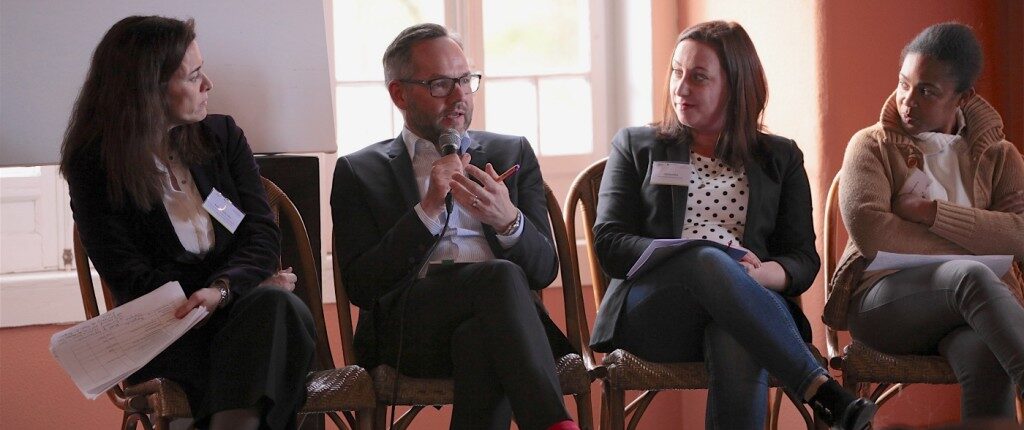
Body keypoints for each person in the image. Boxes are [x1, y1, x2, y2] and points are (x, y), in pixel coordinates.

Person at [589, 20, 875, 430]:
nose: (681, 88)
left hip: (748, 305)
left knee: (733, 335)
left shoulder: (780, 158)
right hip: (655, 312)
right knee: (703, 258)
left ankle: (820, 392)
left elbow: (801, 259)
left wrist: (759, 276)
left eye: (699, 77)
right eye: (677, 72)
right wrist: (692, 255)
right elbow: (610, 244)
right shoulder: (636, 146)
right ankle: (819, 389)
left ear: (736, 87)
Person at [59, 16, 315, 430]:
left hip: (245, 315)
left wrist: (224, 290)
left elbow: (261, 235)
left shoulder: (221, 137)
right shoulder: (94, 168)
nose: (208, 83)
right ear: (148, 90)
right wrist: (230, 292)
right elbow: (131, 279)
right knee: (274, 321)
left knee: (276, 309)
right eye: (194, 75)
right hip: (171, 334)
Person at [330, 23, 579, 430]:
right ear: (399, 93)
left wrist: (507, 220)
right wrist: (427, 209)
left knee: (480, 337)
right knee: (497, 278)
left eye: (466, 80)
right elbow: (362, 285)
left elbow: (544, 269)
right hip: (412, 331)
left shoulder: (511, 150)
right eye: (442, 84)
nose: (461, 95)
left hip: (504, 325)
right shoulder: (359, 172)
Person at [826, 22, 1024, 420]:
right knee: (970, 274)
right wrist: (980, 242)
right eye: (903, 84)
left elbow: (1018, 236)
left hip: (970, 310)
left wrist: (932, 214)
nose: (907, 101)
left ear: (964, 97)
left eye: (927, 90)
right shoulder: (871, 145)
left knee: (987, 354)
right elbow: (873, 234)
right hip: (882, 305)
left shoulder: (1001, 156)